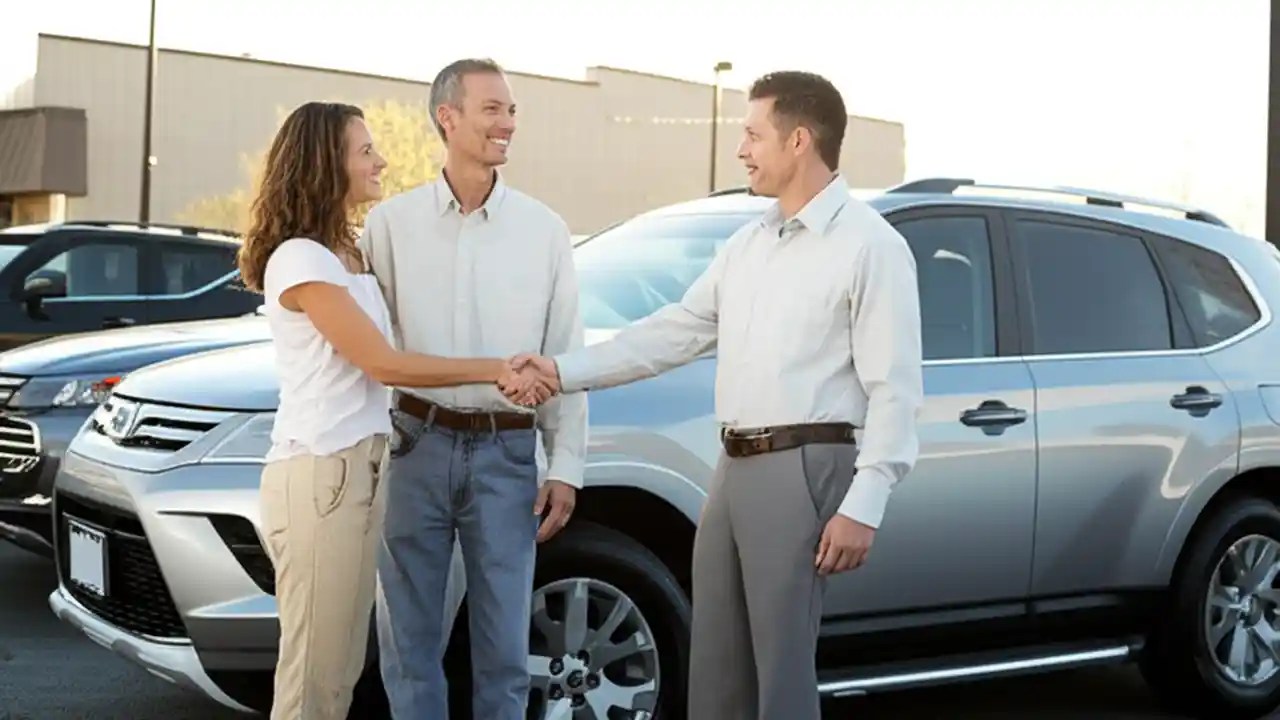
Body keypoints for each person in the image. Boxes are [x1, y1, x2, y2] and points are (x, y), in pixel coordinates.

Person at [513, 71, 924, 719]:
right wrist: (561, 371)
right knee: (717, 663)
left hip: (806, 463)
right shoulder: (750, 243)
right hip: (733, 467)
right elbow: (674, 331)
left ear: (798, 140)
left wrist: (865, 502)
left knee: (779, 665)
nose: (742, 149)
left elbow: (896, 390)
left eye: (753, 135)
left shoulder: (870, 247)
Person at [236, 101, 546, 720]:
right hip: (321, 475)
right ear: (327, 161)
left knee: (342, 671)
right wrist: (492, 369)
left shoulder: (345, 255)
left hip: (362, 471)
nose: (382, 161)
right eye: (366, 150)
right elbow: (385, 363)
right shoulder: (301, 259)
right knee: (312, 681)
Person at [358, 58, 587, 720]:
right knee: (407, 642)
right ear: (447, 118)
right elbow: (373, 350)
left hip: (508, 455)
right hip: (414, 449)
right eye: (493, 109)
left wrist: (566, 464)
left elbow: (564, 355)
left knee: (505, 648)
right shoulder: (390, 226)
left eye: (512, 110)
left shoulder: (545, 231)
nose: (508, 123)